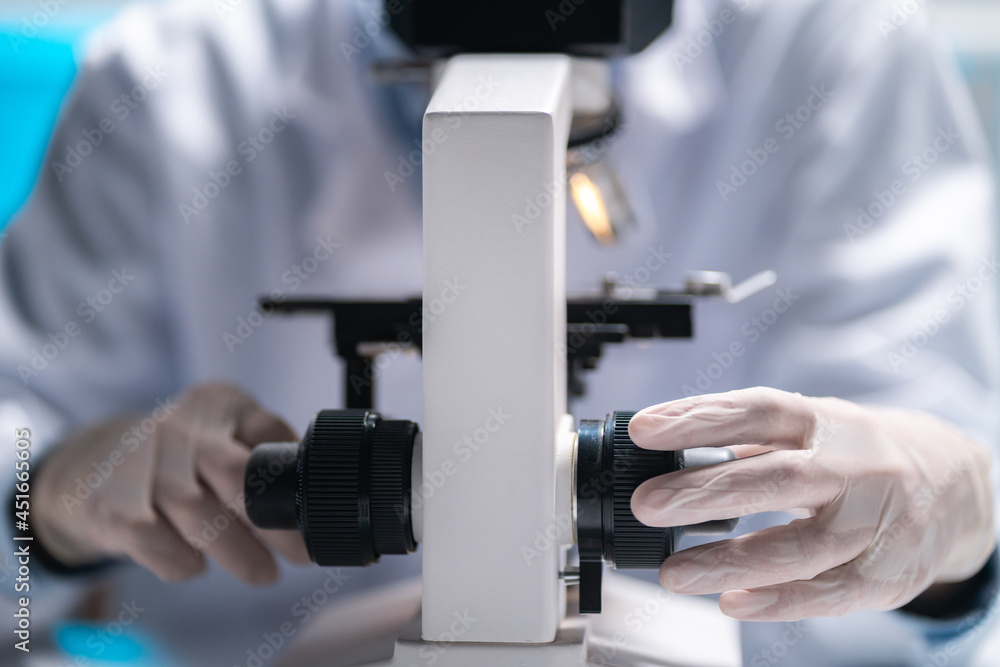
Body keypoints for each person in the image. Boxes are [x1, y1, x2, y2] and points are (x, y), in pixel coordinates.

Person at [1, 0, 998, 664]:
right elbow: (19, 479)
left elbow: (928, 529)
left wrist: (947, 522)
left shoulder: (835, 45)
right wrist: (44, 503)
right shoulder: (175, 75)